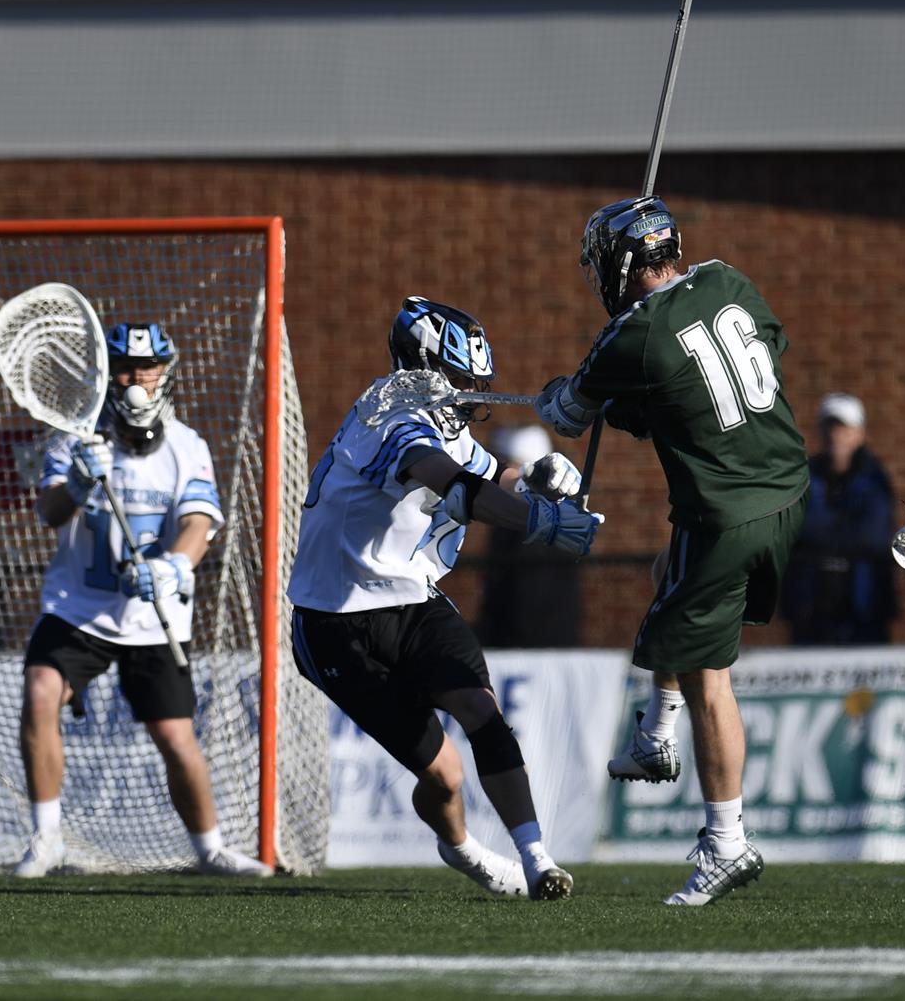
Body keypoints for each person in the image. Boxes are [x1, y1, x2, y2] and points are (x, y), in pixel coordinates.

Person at [537, 197, 809, 906]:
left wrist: (557, 397)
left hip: (726, 514)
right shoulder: (729, 279)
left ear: (623, 262)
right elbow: (756, 363)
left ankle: (726, 843)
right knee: (670, 573)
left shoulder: (631, 334)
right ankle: (656, 733)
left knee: (707, 678)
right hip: (785, 489)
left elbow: (567, 415)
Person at [291, 297, 597, 901]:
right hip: (336, 620)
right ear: (425, 370)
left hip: (412, 600)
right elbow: (456, 486)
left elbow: (489, 472)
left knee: (483, 712)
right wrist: (538, 522)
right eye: (460, 378)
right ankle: (462, 849)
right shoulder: (393, 421)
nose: (472, 391)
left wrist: (536, 478)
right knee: (444, 775)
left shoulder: (437, 422)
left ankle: (537, 859)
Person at [14, 321, 270, 879]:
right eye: (126, 369)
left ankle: (210, 849)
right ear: (107, 376)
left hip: (154, 616)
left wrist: (173, 566)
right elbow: (49, 512)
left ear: (164, 373)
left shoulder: (186, 444)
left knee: (174, 736)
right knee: (40, 693)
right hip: (79, 609)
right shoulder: (74, 441)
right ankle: (47, 838)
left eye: (147, 368)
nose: (137, 379)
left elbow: (198, 521)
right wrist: (77, 485)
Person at [780, 392, 897, 645]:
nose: (836, 435)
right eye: (830, 427)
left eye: (844, 428)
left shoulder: (876, 481)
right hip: (810, 611)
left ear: (860, 433)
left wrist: (820, 538)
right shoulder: (802, 479)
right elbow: (793, 530)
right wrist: (846, 531)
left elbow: (875, 537)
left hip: (864, 612)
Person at [476, 423, 582, 648]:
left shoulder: (536, 528)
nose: (501, 475)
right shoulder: (515, 520)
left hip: (534, 644)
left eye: (508, 465)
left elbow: (530, 595)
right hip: (519, 641)